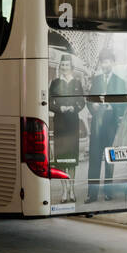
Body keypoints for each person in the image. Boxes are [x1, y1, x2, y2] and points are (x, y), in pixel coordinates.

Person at [85, 48, 126, 203]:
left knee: (110, 161)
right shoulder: (95, 81)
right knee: (94, 160)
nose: (104, 64)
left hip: (111, 128)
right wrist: (93, 107)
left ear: (112, 63)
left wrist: (113, 107)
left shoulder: (119, 82)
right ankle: (92, 194)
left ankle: (108, 192)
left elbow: (123, 104)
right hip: (96, 127)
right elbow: (88, 100)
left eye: (107, 61)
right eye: (102, 62)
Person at [48, 54, 83, 203]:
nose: (64, 67)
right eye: (62, 65)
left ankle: (72, 190)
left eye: (67, 65)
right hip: (60, 125)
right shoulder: (55, 83)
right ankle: (64, 192)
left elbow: (82, 102)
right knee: (62, 160)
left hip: (73, 125)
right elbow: (49, 102)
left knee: (72, 160)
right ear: (60, 66)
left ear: (71, 67)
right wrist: (60, 107)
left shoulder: (77, 83)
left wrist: (73, 107)